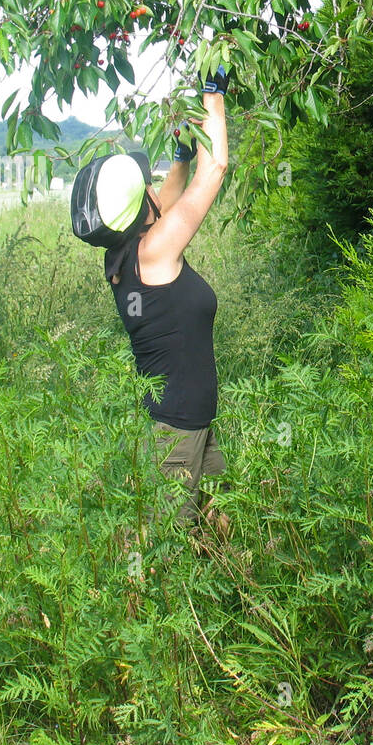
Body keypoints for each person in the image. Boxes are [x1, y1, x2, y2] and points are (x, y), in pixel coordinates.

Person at [89, 69, 230, 524]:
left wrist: (180, 154)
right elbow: (217, 169)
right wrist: (214, 96)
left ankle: (235, 596)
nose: (156, 186)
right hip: (176, 434)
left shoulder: (128, 250)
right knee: (166, 554)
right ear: (141, 206)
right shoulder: (152, 253)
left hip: (192, 424)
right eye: (148, 184)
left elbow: (166, 197)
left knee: (222, 530)